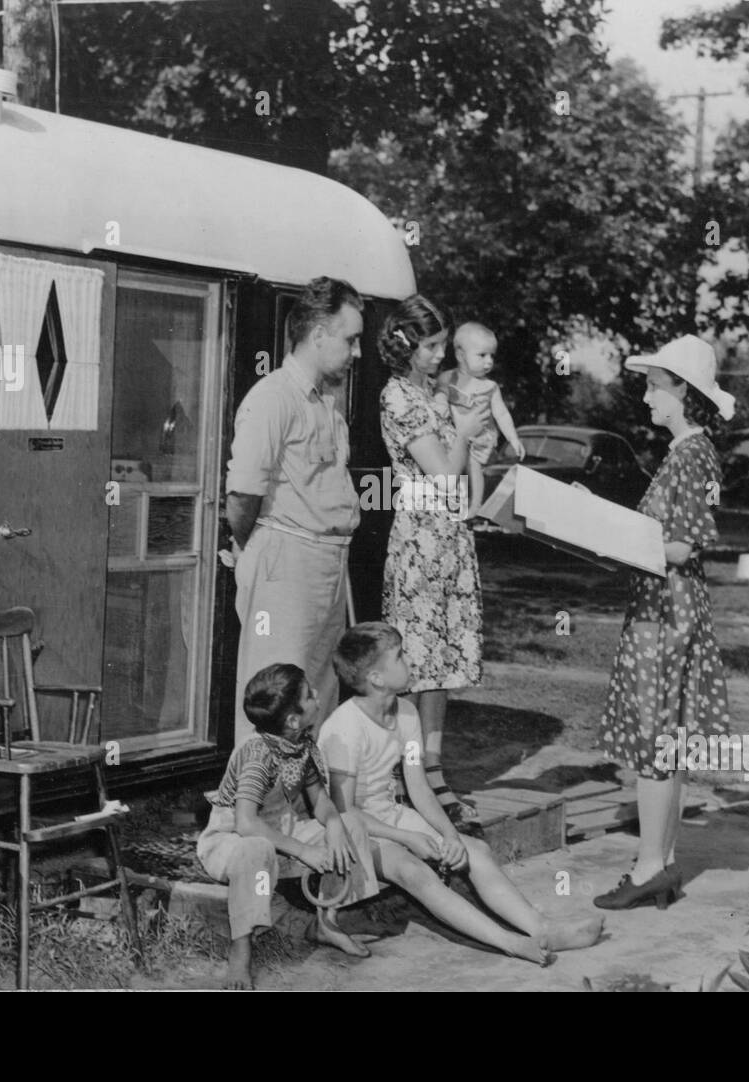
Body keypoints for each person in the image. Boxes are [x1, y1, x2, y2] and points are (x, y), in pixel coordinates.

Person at [319, 622, 604, 964]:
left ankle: (542, 929)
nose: (409, 661)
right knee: (413, 872)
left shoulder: (407, 713)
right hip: (356, 830)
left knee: (476, 850)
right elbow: (343, 810)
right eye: (400, 656)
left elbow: (418, 785)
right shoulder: (345, 727)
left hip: (391, 815)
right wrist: (405, 837)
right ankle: (509, 942)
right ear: (377, 678)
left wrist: (449, 834)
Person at [594, 334, 735, 910]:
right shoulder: (687, 453)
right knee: (666, 744)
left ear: (683, 391)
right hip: (669, 608)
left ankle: (650, 866)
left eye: (654, 385)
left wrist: (601, 530)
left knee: (656, 742)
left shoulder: (693, 455)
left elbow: (679, 547)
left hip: (665, 613)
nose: (647, 397)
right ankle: (663, 861)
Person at [225, 277, 364, 747]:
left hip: (328, 562)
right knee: (276, 692)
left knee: (315, 694)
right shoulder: (273, 398)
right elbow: (242, 495)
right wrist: (255, 551)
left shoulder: (326, 404)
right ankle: (249, 810)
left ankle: (301, 807)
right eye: (350, 339)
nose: (356, 351)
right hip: (288, 557)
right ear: (318, 335)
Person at [196, 662, 379, 989]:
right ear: (293, 719)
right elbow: (246, 823)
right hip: (232, 843)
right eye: (309, 695)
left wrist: (334, 823)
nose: (317, 696)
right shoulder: (257, 755)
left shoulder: (301, 745)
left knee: (352, 824)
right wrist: (305, 850)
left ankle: (328, 922)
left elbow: (320, 800)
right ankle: (241, 951)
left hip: (282, 830)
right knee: (257, 848)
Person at [377, 296, 489, 822]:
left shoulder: (437, 393)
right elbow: (441, 474)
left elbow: (462, 476)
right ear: (405, 346)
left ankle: (434, 768)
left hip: (450, 533)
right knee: (417, 661)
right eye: (432, 345)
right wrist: (464, 436)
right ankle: (410, 774)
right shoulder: (398, 398)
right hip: (421, 535)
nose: (442, 353)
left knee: (443, 663)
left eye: (443, 343)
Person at [436, 321, 524, 518]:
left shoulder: (489, 387)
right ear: (460, 355)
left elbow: (501, 413)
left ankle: (475, 505)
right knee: (450, 467)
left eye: (492, 355)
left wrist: (513, 438)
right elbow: (439, 394)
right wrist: (440, 402)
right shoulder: (447, 378)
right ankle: (451, 502)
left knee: (473, 467)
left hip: (478, 439)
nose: (489, 361)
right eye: (482, 355)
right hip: (453, 435)